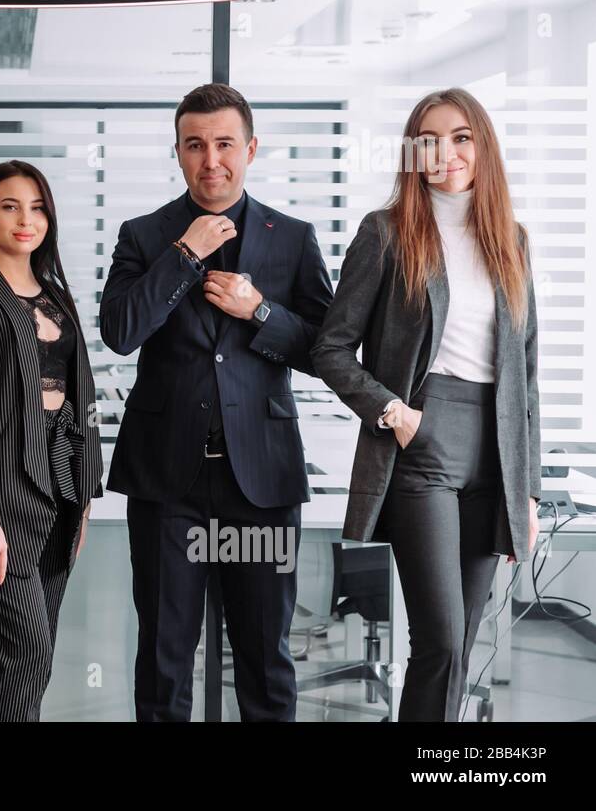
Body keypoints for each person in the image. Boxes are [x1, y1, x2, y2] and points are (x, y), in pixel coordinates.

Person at [100, 82, 333, 722]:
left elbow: (324, 352)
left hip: (261, 478)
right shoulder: (144, 235)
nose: (212, 161)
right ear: (177, 152)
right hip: (167, 482)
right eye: (195, 145)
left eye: (225, 144)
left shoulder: (293, 238)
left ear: (251, 148)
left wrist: (259, 311)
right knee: (164, 658)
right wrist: (184, 256)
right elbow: (120, 332)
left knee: (265, 659)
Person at [311, 87, 541, 721]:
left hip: (494, 452)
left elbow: (526, 373)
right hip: (424, 444)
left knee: (461, 645)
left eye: (461, 137)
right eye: (431, 140)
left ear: (482, 145)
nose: (447, 153)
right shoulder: (386, 233)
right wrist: (396, 413)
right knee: (439, 640)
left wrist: (527, 487)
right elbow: (330, 348)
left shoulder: (511, 241)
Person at [0, 160, 102, 721]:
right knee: (25, 656)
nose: (25, 219)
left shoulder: (57, 296)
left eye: (37, 208)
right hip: (2, 503)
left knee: (37, 658)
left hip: (62, 494)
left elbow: (82, 400)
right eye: (9, 206)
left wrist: (85, 502)